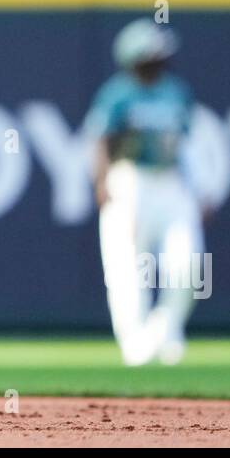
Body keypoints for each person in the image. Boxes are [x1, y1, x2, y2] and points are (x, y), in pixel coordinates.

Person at [85, 19, 205, 366]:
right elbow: (101, 139)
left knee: (188, 265)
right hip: (131, 180)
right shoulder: (117, 92)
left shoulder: (176, 90)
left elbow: (189, 144)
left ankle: (165, 331)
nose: (160, 57)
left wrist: (200, 187)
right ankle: (134, 344)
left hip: (170, 182)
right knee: (127, 268)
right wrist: (102, 181)